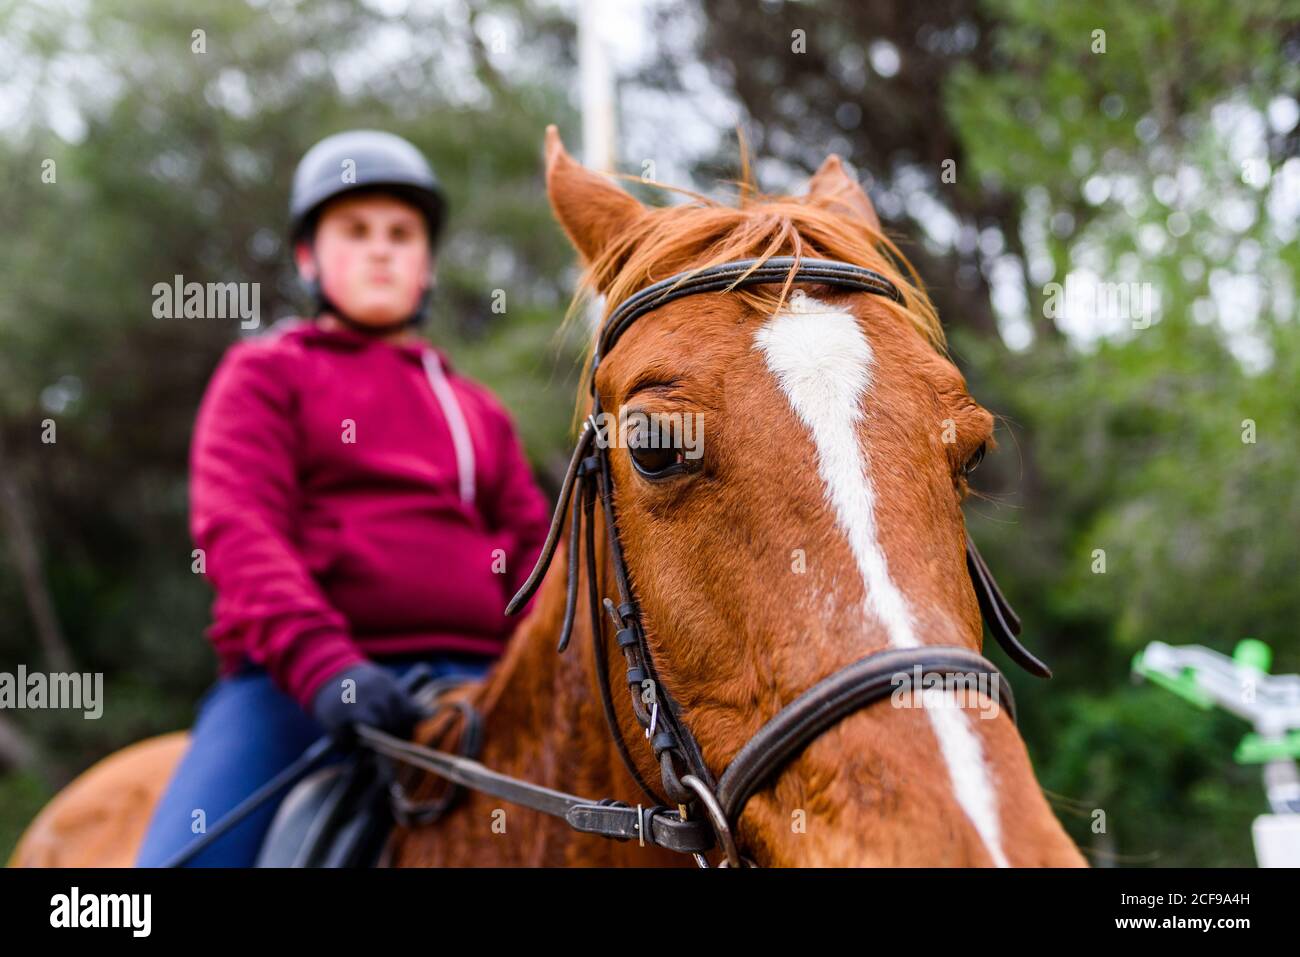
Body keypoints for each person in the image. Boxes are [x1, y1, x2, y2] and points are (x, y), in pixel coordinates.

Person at [135, 130, 551, 867]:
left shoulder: (475, 409)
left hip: (482, 686)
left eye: (401, 234)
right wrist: (327, 666)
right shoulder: (264, 374)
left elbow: (533, 554)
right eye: (356, 232)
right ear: (308, 258)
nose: (382, 249)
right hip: (301, 687)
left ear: (426, 264)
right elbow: (240, 531)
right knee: (183, 863)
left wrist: (546, 667)